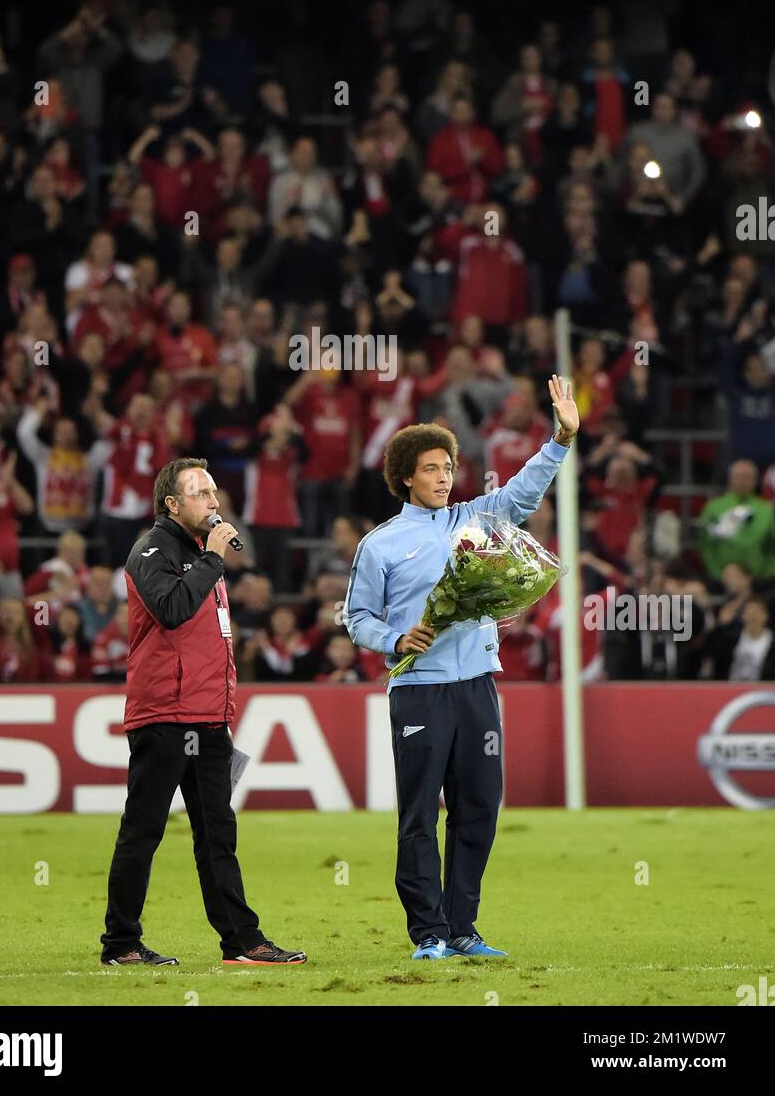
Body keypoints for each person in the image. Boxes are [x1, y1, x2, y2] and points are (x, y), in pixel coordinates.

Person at [343, 376, 578, 961]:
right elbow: (357, 617)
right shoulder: (380, 545)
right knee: (420, 814)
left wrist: (560, 441)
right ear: (405, 477)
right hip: (420, 691)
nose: (444, 476)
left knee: (478, 807)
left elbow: (521, 498)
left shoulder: (473, 520)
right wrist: (396, 639)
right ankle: (427, 932)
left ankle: (463, 927)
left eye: (448, 466)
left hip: (477, 690)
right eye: (431, 468)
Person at [100, 456, 306, 968]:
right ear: (172, 504)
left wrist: (223, 708)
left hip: (208, 716)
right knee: (144, 830)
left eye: (214, 493)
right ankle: (121, 942)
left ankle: (242, 941)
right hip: (165, 715)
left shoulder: (196, 554)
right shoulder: (151, 549)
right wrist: (212, 561)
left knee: (218, 833)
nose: (214, 503)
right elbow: (170, 610)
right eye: (201, 494)